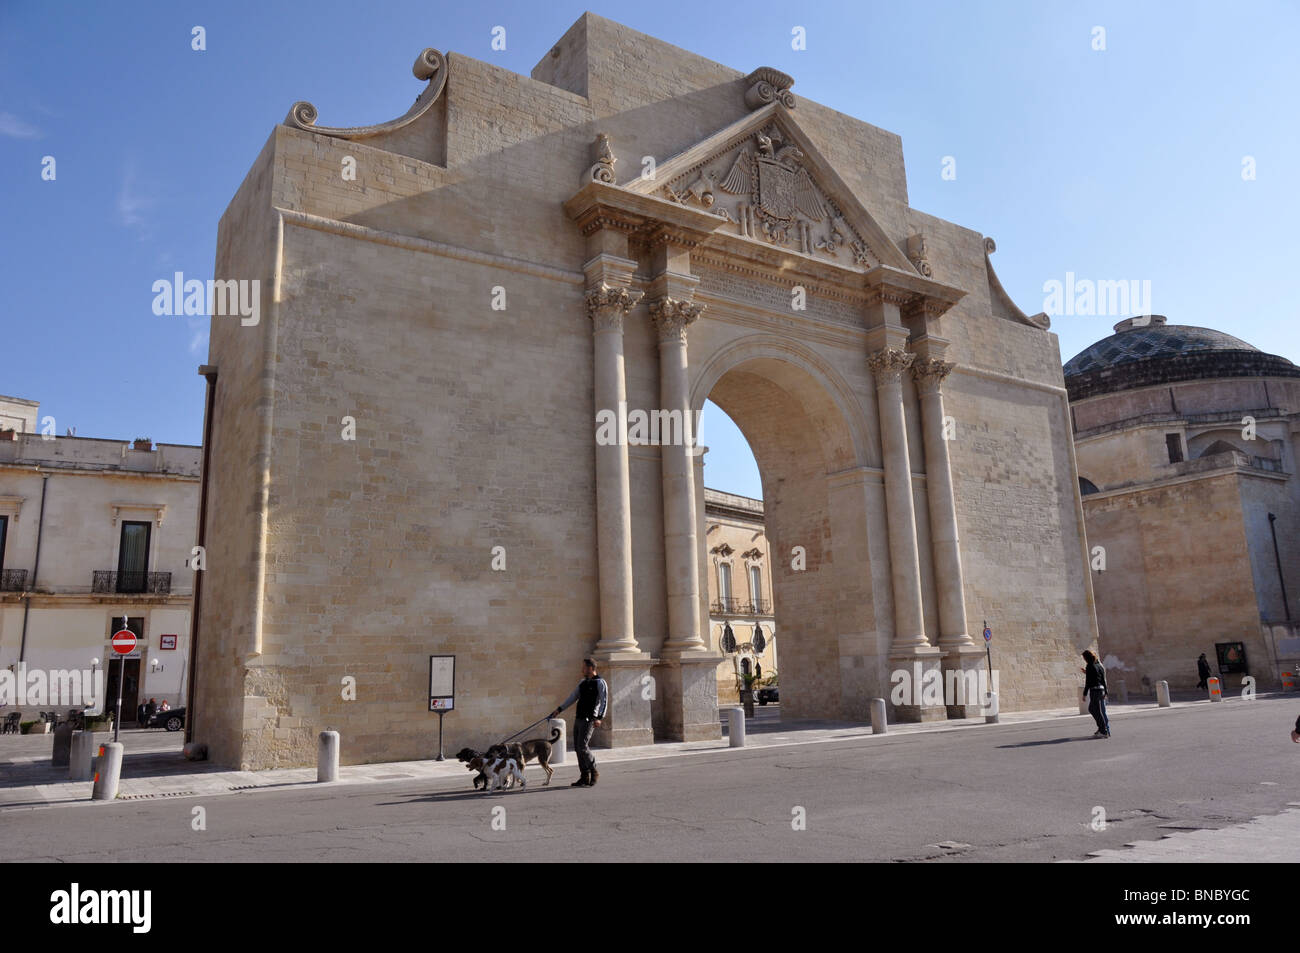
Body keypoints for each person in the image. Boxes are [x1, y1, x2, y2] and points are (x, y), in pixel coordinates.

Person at [550, 658, 608, 788]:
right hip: (579, 718)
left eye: (584, 667)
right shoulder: (582, 683)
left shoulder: (600, 682)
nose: (582, 670)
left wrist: (599, 717)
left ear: (591, 668)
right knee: (577, 747)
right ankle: (584, 776)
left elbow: (604, 701)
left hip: (590, 719)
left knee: (582, 746)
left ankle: (594, 770)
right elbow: (572, 697)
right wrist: (559, 710)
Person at [1082, 650, 1110, 738]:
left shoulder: (1089, 666)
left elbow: (1088, 682)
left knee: (1097, 710)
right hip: (1101, 690)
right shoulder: (1099, 666)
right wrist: (1106, 691)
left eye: (1084, 658)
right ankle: (1101, 728)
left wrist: (1084, 694)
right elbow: (1102, 680)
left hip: (1095, 691)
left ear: (1086, 658)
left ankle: (1104, 730)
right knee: (1092, 709)